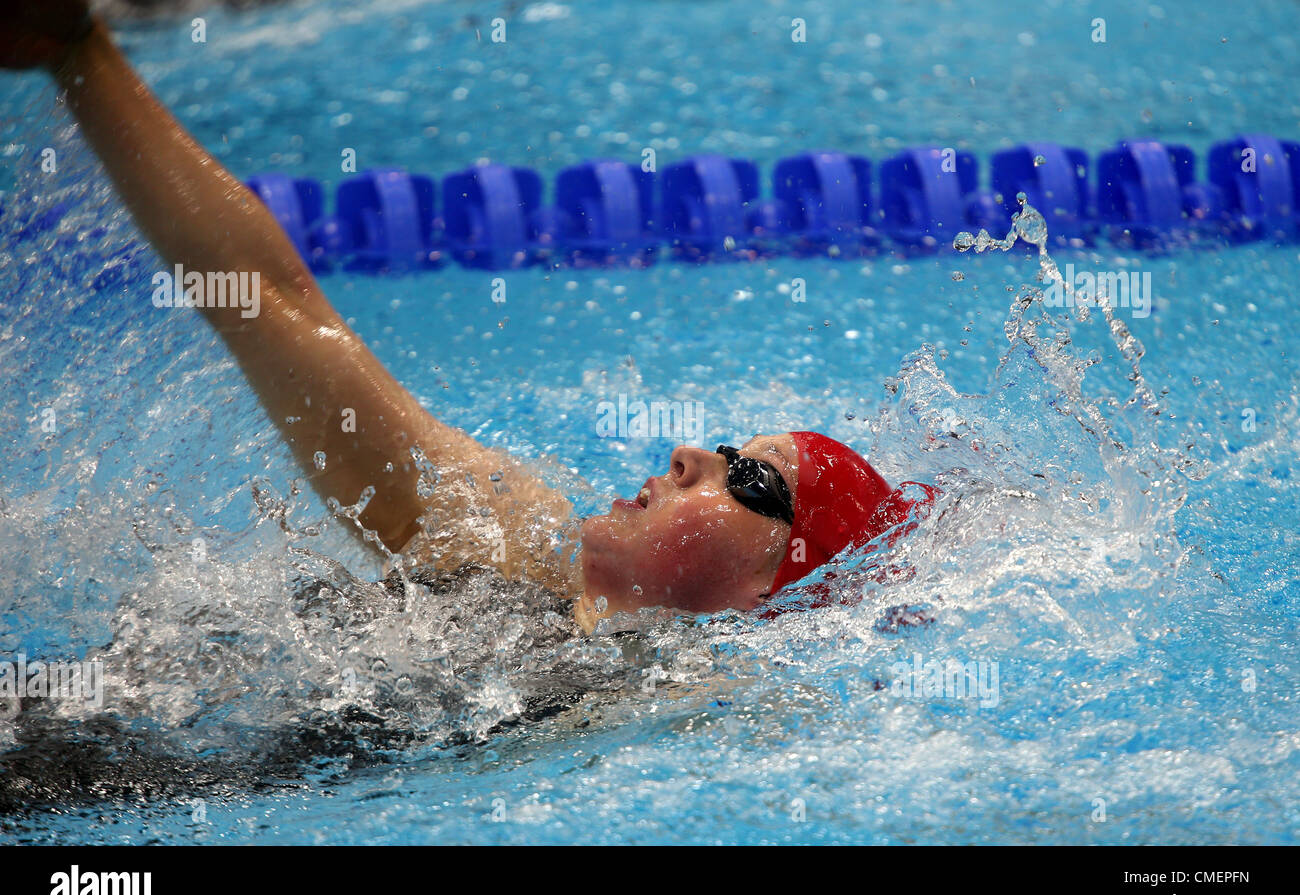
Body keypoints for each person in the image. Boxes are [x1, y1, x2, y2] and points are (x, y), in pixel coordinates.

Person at [0, 2, 935, 635]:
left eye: (752, 483)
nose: (693, 453)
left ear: (775, 588)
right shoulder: (497, 535)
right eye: (728, 448)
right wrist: (80, 54)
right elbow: (272, 301)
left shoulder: (697, 718)